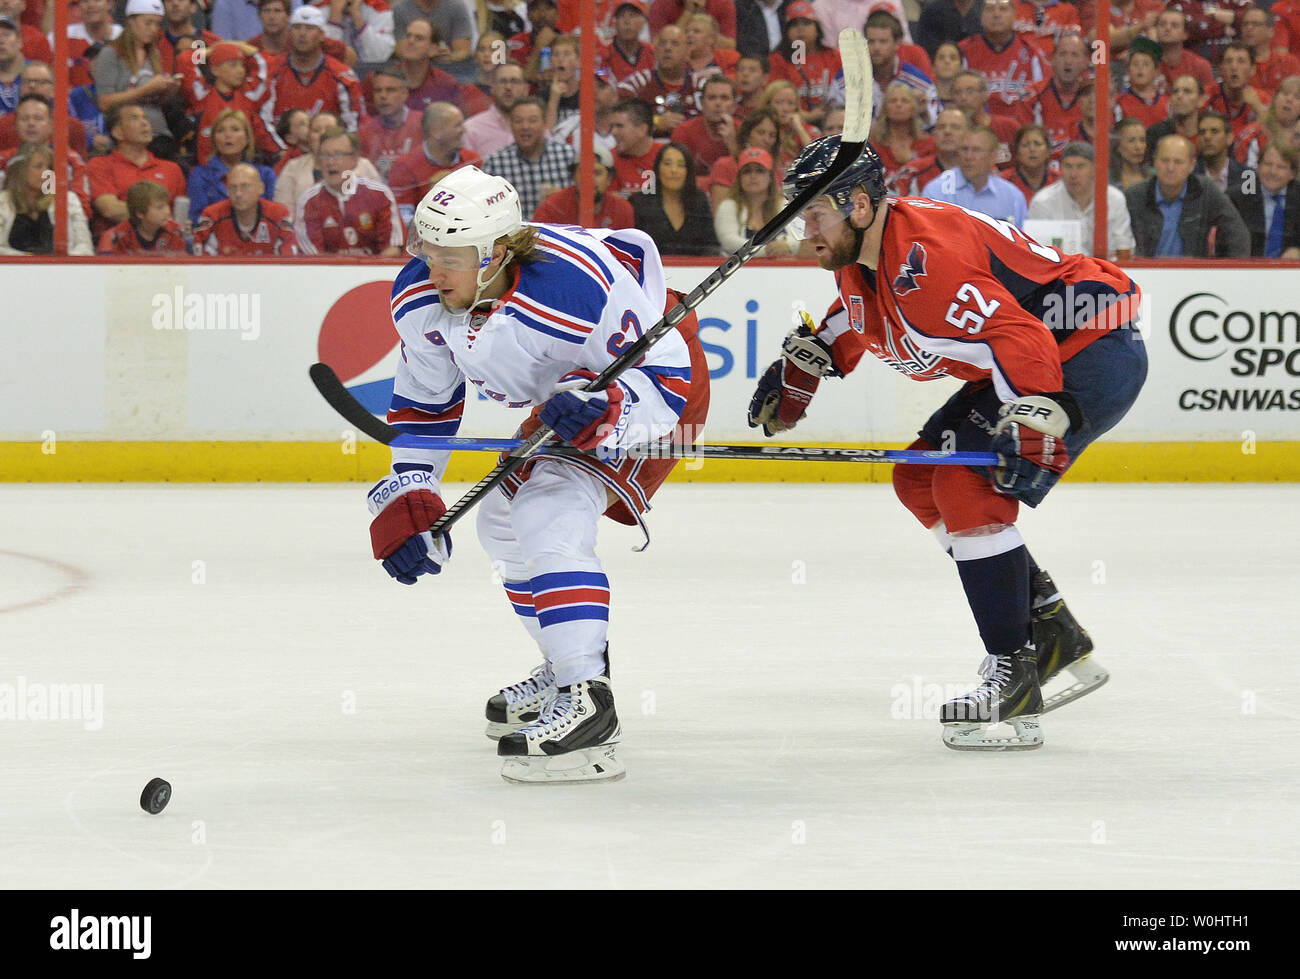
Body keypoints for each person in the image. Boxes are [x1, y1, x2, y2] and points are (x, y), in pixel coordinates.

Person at [748, 134, 1147, 751]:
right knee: (916, 477)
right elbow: (853, 320)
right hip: (1042, 350)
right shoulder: (872, 256)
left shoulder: (926, 264)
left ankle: (1015, 678)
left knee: (965, 484)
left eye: (815, 214)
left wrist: (1036, 417)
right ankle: (1047, 627)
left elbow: (1022, 339)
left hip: (1090, 350)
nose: (806, 232)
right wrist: (800, 371)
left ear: (858, 206)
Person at [374, 165, 709, 782]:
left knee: (545, 504)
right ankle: (565, 663)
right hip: (565, 396)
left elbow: (667, 382)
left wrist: (607, 408)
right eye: (426, 248)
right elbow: (424, 402)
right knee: (499, 522)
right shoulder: (421, 295)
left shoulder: (578, 288)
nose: (433, 268)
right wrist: (411, 491)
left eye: (451, 255)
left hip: (654, 389)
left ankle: (588, 706)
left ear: (497, 251)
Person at [1124, 133, 1250, 257]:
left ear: (1191, 165)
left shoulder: (1205, 190)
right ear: (1154, 162)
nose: (1170, 167)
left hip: (1193, 274)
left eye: (1178, 162)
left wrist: (1230, 273)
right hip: (1144, 273)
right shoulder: (1134, 196)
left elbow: (1238, 234)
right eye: (1164, 160)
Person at [93, 0, 184, 158]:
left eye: (157, 24)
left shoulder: (154, 55)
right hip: (127, 137)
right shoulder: (111, 54)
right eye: (148, 23)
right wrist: (146, 89)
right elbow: (104, 103)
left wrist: (168, 91)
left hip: (159, 132)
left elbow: (156, 102)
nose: (153, 29)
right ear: (131, 21)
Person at [295, 126, 402, 254]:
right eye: (325, 155)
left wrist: (367, 272)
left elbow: (392, 248)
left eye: (338, 155)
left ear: (355, 159)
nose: (330, 162)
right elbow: (314, 258)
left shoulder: (380, 194)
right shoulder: (309, 202)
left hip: (375, 273)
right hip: (328, 273)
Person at [86, 103, 186, 237]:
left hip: (165, 247)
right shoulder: (100, 165)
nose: (145, 123)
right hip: (117, 247)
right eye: (134, 119)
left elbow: (180, 215)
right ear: (118, 132)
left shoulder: (172, 169)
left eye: (145, 118)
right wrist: (157, 217)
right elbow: (110, 209)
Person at [260, 5, 365, 132]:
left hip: (329, 148)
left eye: (309, 28)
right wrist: (282, 151)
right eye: (297, 27)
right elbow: (261, 122)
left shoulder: (342, 76)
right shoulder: (271, 71)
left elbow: (357, 124)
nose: (302, 34)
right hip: (281, 148)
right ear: (289, 33)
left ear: (321, 35)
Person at [1028, 141, 1134, 258]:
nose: (1073, 174)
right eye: (1068, 166)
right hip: (1061, 273)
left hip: (1105, 272)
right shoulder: (1043, 203)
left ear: (1094, 169)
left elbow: (1124, 251)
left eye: (1080, 166)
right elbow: (1036, 256)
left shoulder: (1114, 199)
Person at [481, 97, 575, 217]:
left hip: (557, 232)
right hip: (514, 234)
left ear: (545, 123)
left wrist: (563, 196)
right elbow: (485, 211)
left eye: (533, 120)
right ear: (510, 125)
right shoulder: (494, 164)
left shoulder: (567, 156)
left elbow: (581, 201)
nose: (525, 126)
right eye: (518, 121)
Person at [387, 101, 480, 221]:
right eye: (457, 125)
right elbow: (403, 219)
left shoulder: (473, 161)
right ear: (436, 131)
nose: (464, 130)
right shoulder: (404, 166)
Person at [273, 109, 382, 211]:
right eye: (316, 130)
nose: (323, 134)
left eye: (329, 129)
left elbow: (379, 206)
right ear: (309, 137)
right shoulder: (293, 168)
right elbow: (284, 214)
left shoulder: (363, 165)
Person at [921, 123, 1027, 226]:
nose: (969, 157)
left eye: (976, 150)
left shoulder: (1012, 197)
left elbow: (1021, 241)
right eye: (964, 149)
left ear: (993, 156)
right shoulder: (936, 192)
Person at [186, 108, 279, 224]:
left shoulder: (266, 175)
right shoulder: (199, 176)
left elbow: (275, 215)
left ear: (247, 138)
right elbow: (197, 219)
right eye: (220, 131)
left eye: (235, 130)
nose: (228, 135)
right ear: (214, 140)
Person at [0, 144, 94, 256]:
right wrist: (30, 261)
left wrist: (59, 266)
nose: (46, 173)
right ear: (21, 170)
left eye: (49, 167)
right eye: (38, 167)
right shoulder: (3, 202)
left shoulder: (68, 200)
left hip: (62, 271)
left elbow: (85, 246)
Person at [959, 0, 1047, 119]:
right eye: (990, 9)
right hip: (978, 129)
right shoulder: (965, 50)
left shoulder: (1031, 53)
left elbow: (1044, 98)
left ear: (1014, 15)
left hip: (1021, 131)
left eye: (1003, 9)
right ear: (981, 16)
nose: (996, 14)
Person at [629, 140, 719, 254]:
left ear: (689, 171)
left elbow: (711, 246)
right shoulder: (639, 202)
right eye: (667, 163)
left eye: (681, 165)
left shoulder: (699, 200)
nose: (674, 170)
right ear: (657, 168)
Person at [193, 159, 298, 254]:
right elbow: (201, 262)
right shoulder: (212, 215)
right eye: (233, 187)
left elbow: (288, 260)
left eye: (245, 186)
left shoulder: (278, 214)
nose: (238, 193)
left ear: (261, 188)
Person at [712, 144, 797, 254]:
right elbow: (729, 242)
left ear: (770, 177)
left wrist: (787, 246)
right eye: (747, 171)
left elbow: (800, 238)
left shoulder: (784, 205)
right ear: (739, 178)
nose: (753, 176)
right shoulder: (728, 206)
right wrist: (765, 251)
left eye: (759, 171)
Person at [618, 25, 700, 137]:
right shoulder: (636, 84)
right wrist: (655, 123)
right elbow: (622, 121)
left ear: (687, 53)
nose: (667, 48)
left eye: (675, 44)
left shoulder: (701, 86)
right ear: (655, 52)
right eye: (662, 43)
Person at [768, 1, 841, 124]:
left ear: (817, 29)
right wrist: (808, 116)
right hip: (794, 124)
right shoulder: (777, 60)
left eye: (806, 23)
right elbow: (774, 101)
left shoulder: (833, 56)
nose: (800, 28)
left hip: (835, 121)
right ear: (787, 32)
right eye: (794, 24)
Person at [531, 142, 635, 228]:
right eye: (584, 172)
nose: (590, 179)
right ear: (573, 176)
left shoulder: (622, 210)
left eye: (597, 173)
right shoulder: (552, 208)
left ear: (609, 179)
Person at [1227, 141, 1300, 257]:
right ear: (1258, 166)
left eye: (1281, 167)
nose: (1273, 172)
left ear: (1292, 173)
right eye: (1267, 164)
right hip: (1247, 268)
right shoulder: (1238, 197)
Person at [383, 16, 461, 113]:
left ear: (433, 49)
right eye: (408, 36)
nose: (410, 41)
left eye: (419, 38)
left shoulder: (446, 84)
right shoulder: (379, 80)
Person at [358, 64, 423, 179]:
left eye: (390, 90)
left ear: (405, 94)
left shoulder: (423, 124)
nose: (383, 96)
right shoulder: (365, 131)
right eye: (378, 91)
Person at [707, 104, 780, 206]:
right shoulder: (725, 166)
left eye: (772, 135)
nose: (766, 140)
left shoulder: (775, 170)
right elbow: (720, 210)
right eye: (761, 132)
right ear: (747, 134)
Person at [97, 177, 190, 253]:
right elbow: (116, 270)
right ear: (140, 213)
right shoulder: (121, 235)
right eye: (160, 207)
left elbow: (181, 266)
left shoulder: (176, 232)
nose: (167, 211)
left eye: (167, 205)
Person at [671, 73, 739, 176]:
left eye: (724, 98)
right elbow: (675, 174)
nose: (718, 103)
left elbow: (749, 176)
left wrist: (732, 144)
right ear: (702, 103)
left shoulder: (745, 130)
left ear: (734, 105)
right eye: (712, 98)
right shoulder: (684, 132)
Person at [462, 60, 528, 158]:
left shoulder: (538, 128)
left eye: (514, 82)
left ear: (525, 89)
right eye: (502, 81)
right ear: (492, 88)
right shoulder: (471, 130)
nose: (508, 87)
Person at [1234, 76, 1300, 167]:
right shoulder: (1252, 135)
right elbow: (1246, 177)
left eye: (1297, 97)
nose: (1289, 99)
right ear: (1275, 99)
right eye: (1285, 93)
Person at [609, 97, 665, 193]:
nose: (613, 132)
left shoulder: (666, 157)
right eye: (612, 126)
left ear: (642, 129)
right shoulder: (609, 160)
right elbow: (609, 200)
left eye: (619, 126)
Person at [1114, 36, 1169, 131]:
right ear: (1128, 70)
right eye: (1135, 64)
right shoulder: (1119, 102)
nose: (1140, 68)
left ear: (1156, 71)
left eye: (1146, 64)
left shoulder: (1168, 103)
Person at [1000, 123, 1057, 204]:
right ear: (1017, 152)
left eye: (1037, 144)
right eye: (1025, 145)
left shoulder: (1060, 181)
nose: (1032, 149)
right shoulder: (1003, 181)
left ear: (1048, 151)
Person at [1195, 110, 1245, 193]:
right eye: (1202, 132)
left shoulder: (1247, 176)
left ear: (1229, 138)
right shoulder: (1188, 176)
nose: (1207, 137)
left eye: (1214, 131)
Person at [1111, 116, 1154, 189]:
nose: (1138, 147)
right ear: (1117, 145)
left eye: (1142, 140)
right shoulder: (1107, 179)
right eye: (1131, 141)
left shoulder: (1155, 177)